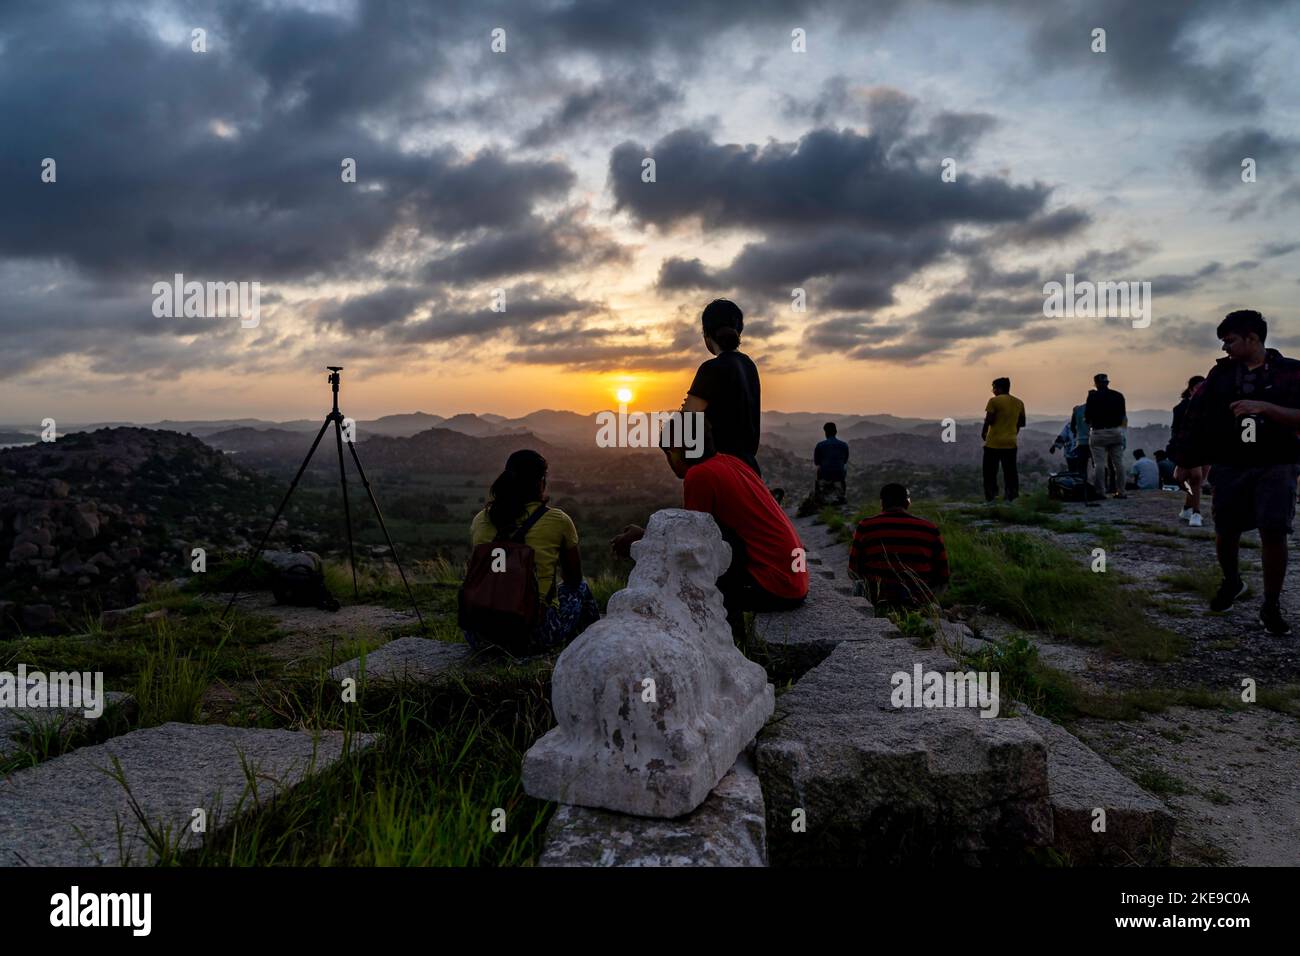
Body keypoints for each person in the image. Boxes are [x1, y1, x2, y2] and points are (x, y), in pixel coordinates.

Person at [611, 421, 807, 638]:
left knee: (689, 583)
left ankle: (728, 644)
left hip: (776, 585)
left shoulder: (700, 475)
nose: (668, 459)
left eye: (668, 452)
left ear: (678, 449)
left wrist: (641, 540)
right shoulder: (731, 462)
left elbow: (690, 550)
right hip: (794, 576)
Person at [1181, 310, 1300, 636]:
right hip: (1231, 463)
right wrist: (1184, 459)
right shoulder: (1220, 376)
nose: (1226, 348)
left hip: (1277, 463)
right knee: (1226, 528)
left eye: (1230, 341)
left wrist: (1264, 408)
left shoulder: (1291, 372)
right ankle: (1232, 581)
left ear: (1252, 338)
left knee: (1274, 532)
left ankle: (1271, 605)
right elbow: (1195, 416)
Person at [466, 449, 599, 651]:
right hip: (532, 635)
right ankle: (591, 648)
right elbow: (573, 578)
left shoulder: (481, 519)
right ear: (540, 482)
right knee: (580, 588)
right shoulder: (558, 520)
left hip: (480, 635)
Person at [682, 299, 762, 475]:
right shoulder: (749, 366)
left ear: (706, 336)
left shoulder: (710, 369)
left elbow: (686, 421)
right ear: (739, 332)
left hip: (721, 472)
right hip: (749, 470)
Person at [847, 483, 950, 613]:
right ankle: (924, 608)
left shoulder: (866, 526)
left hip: (877, 598)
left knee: (858, 584)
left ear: (882, 503)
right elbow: (943, 574)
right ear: (907, 503)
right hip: (918, 599)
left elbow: (852, 569)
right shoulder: (929, 528)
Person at [1167, 375, 1207, 527]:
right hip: (1187, 447)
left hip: (1204, 446)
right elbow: (1176, 430)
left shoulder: (1207, 405)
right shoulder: (1181, 408)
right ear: (1191, 390)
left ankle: (1191, 510)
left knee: (1197, 480)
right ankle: (1193, 511)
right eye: (1198, 388)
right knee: (1186, 477)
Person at [981, 377, 1026, 503]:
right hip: (1011, 443)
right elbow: (1021, 423)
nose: (992, 390)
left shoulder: (994, 401)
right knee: (1010, 472)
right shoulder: (1019, 402)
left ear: (999, 388)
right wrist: (1013, 432)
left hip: (993, 443)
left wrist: (984, 431)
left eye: (994, 387)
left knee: (990, 472)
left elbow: (989, 420)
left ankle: (991, 498)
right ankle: (1011, 497)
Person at [1085, 373, 1127, 499]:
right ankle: (1121, 491)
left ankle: (1100, 491)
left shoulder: (1093, 397)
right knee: (1118, 463)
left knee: (1099, 464)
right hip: (1115, 431)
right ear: (1107, 383)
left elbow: (1087, 417)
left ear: (1096, 384)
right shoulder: (1118, 396)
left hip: (1098, 432)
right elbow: (1123, 416)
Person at [813, 422, 850, 505]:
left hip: (824, 475)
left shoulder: (820, 445)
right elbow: (845, 461)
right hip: (839, 475)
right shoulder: (844, 445)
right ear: (836, 432)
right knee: (844, 467)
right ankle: (842, 494)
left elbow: (816, 462)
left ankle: (818, 495)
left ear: (825, 433)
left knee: (819, 468)